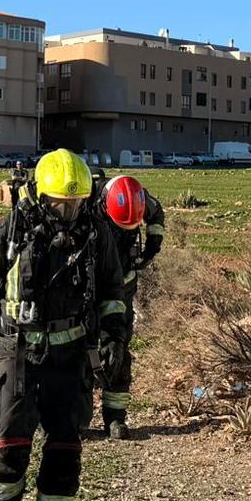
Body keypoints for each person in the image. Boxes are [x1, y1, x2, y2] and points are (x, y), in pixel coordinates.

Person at [0, 149, 128, 501]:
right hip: (17, 350)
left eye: (76, 204)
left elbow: (113, 294)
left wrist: (115, 337)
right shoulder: (6, 235)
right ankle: (2, 499)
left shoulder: (98, 237)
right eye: (59, 204)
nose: (68, 213)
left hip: (71, 355)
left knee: (66, 440)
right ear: (37, 196)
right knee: (10, 436)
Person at [88, 173, 163, 439]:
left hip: (123, 284)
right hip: (90, 289)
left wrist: (153, 243)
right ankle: (76, 413)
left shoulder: (140, 198)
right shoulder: (87, 201)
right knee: (78, 345)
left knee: (118, 347)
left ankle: (115, 417)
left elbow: (157, 214)